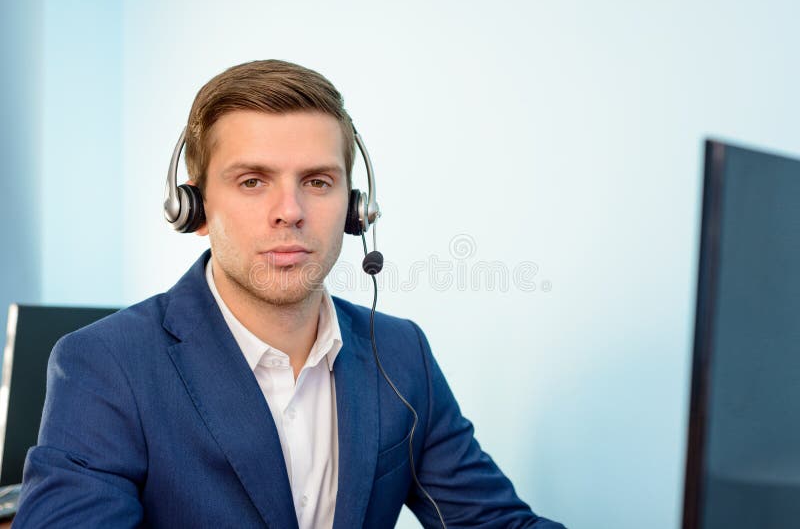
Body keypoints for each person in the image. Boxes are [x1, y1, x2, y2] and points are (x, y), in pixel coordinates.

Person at [15, 60, 564, 528]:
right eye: (252, 181)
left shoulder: (400, 354)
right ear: (194, 208)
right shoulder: (107, 364)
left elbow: (496, 522)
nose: (290, 211)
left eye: (318, 182)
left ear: (356, 210)